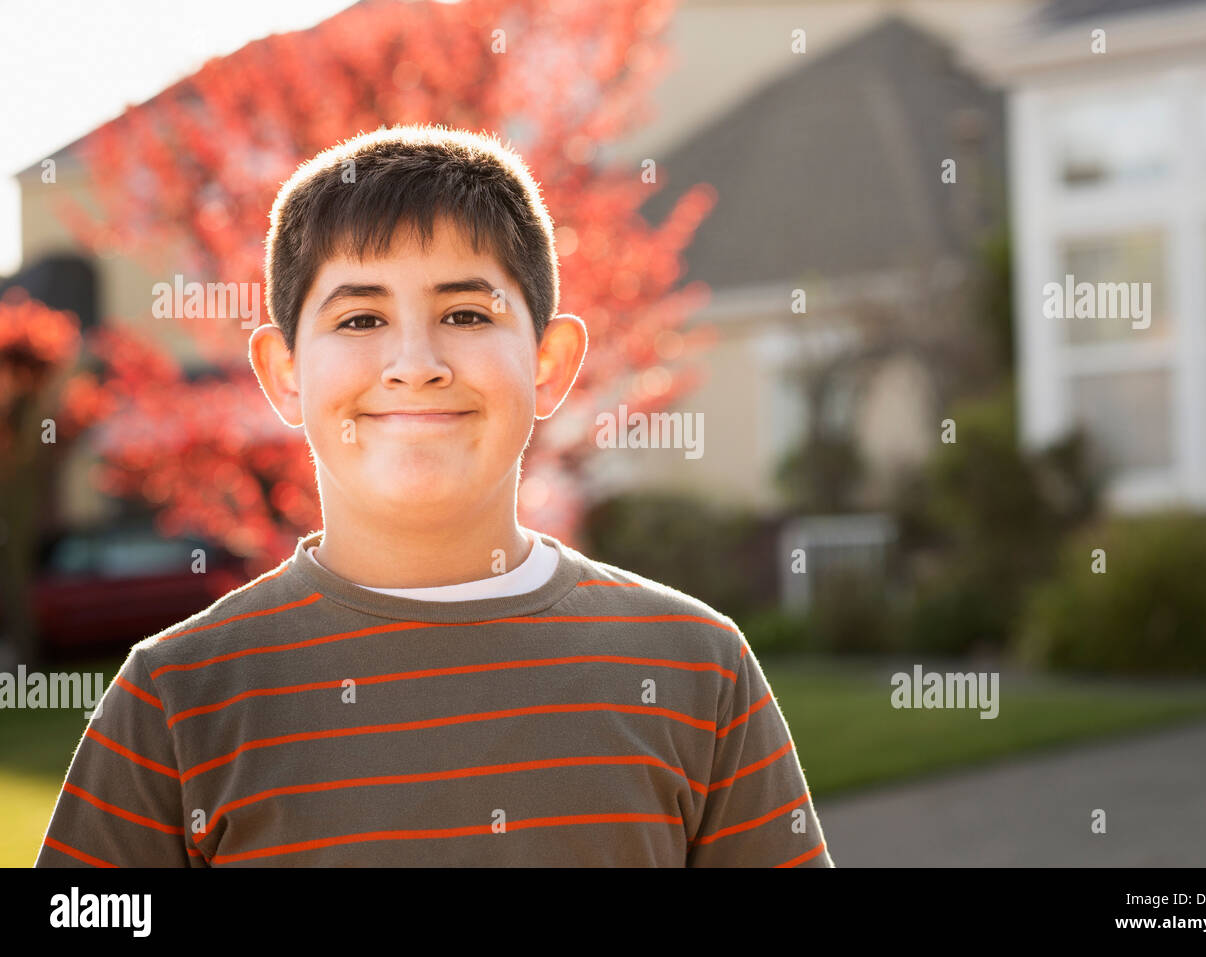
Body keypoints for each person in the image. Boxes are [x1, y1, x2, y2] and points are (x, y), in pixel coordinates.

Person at [35, 125, 833, 867]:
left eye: (465, 313)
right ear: (284, 375)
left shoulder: (699, 669)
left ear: (550, 363)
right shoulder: (174, 701)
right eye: (360, 320)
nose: (415, 365)